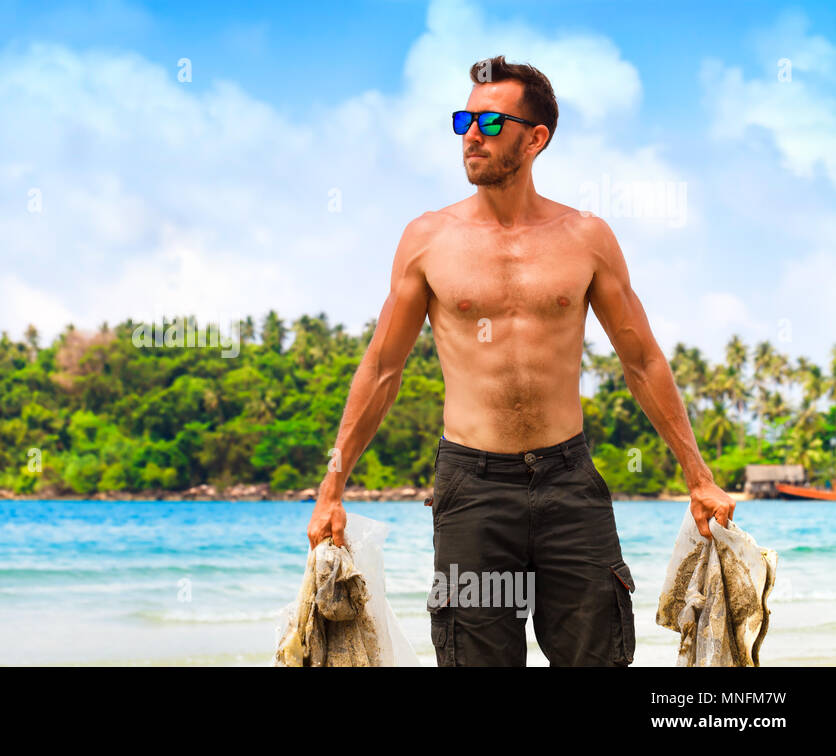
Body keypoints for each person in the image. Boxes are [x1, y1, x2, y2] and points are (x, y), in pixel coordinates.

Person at [305, 55, 735, 667]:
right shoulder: (428, 239)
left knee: (598, 657)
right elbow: (381, 369)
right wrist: (332, 488)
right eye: (463, 120)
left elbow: (641, 360)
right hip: (472, 488)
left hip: (570, 484)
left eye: (489, 122)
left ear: (536, 139)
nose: (470, 135)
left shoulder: (586, 237)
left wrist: (698, 475)